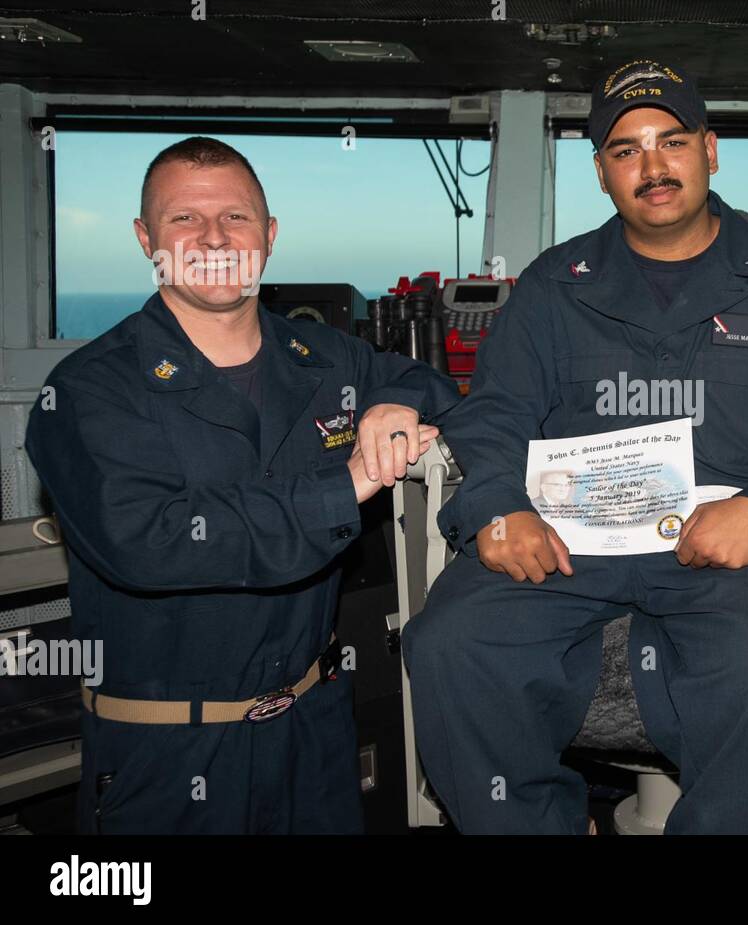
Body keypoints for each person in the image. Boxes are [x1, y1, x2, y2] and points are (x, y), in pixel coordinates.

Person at [403, 58, 748, 834]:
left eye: (672, 141)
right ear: (600, 172)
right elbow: (492, 415)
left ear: (710, 150)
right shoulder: (555, 284)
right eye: (626, 150)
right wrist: (495, 509)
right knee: (452, 641)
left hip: (726, 536)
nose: (652, 167)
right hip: (568, 538)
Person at [25, 137, 461, 833]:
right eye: (183, 220)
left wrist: (396, 403)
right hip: (168, 752)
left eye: (236, 217)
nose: (213, 237)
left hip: (314, 730)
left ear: (269, 235)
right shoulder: (86, 392)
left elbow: (447, 397)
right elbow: (151, 541)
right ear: (145, 239)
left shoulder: (324, 357)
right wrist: (340, 484)